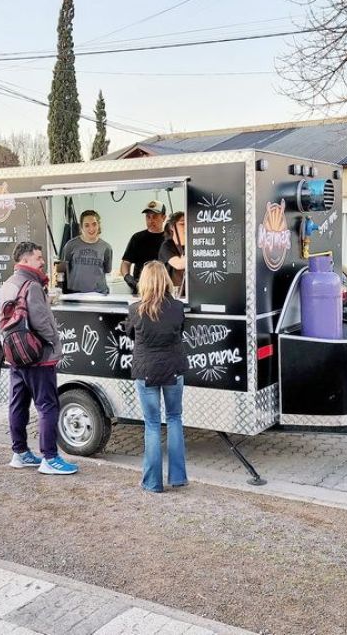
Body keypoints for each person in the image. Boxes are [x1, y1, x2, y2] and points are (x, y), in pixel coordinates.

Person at [0, 241, 79, 475]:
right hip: (38, 356)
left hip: (15, 354)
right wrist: (55, 343)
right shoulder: (32, 285)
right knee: (47, 405)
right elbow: (42, 323)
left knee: (18, 403)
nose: (42, 261)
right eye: (38, 258)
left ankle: (20, 453)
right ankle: (50, 459)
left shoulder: (8, 283)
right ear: (24, 261)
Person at [125, 261, 188, 493]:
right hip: (173, 368)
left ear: (144, 281)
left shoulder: (135, 309)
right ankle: (178, 477)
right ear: (166, 280)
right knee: (174, 419)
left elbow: (130, 333)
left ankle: (152, 483)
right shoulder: (178, 307)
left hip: (146, 370)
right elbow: (180, 332)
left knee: (152, 424)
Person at [58, 210, 112, 294]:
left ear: (98, 225)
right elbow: (61, 270)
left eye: (94, 224)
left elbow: (107, 270)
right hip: (75, 295)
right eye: (87, 225)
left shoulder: (106, 247)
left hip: (99, 294)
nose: (91, 229)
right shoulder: (70, 245)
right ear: (81, 227)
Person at [119, 200, 167, 291]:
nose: (151, 220)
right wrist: (128, 277)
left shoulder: (170, 239)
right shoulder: (137, 238)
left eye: (155, 217)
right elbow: (125, 263)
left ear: (164, 218)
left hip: (163, 289)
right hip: (140, 289)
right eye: (148, 217)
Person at [158, 211, 187, 296]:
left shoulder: (192, 244)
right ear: (172, 227)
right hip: (173, 294)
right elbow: (178, 264)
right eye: (182, 224)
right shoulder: (167, 245)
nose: (186, 228)